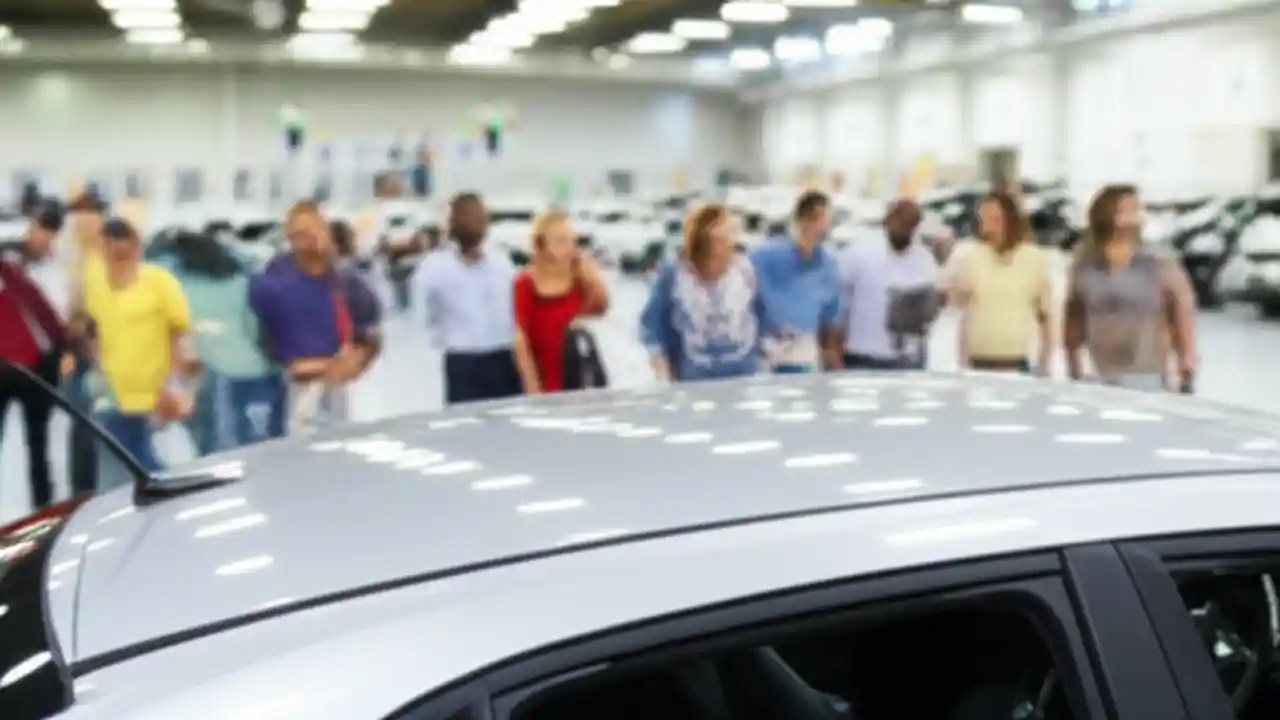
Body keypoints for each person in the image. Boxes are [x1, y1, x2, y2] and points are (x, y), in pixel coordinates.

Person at [250, 202, 382, 434]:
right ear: (291, 239)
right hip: (293, 392)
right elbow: (264, 342)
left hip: (340, 390)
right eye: (302, 234)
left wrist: (358, 361)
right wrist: (309, 367)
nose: (313, 240)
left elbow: (370, 332)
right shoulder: (272, 284)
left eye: (317, 230)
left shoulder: (346, 282)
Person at [83, 217, 194, 476]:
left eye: (125, 253)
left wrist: (175, 386)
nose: (120, 261)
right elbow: (94, 333)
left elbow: (180, 336)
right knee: (118, 482)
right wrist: (98, 374)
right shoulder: (97, 288)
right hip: (114, 402)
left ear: (136, 249)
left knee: (163, 475)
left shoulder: (160, 282)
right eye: (113, 254)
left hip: (156, 402)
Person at [1065, 185, 1197, 392]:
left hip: (1146, 373)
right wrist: (1073, 362)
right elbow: (1074, 315)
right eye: (1124, 209)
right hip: (1100, 373)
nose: (1132, 216)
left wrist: (1187, 363)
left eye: (1135, 209)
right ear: (1105, 213)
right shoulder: (1085, 261)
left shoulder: (1158, 260)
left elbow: (1182, 312)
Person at [164, 231, 284, 453]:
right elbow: (253, 327)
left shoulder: (175, 282)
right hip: (261, 369)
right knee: (264, 443)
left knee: (217, 448)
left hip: (215, 372)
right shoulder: (242, 280)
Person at [413, 192, 522, 404]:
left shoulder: (501, 263)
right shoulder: (434, 268)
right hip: (462, 360)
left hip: (502, 356)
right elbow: (424, 317)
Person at [641, 203, 766, 382]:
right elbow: (652, 324)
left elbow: (765, 316)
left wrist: (765, 358)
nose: (719, 246)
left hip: (743, 377)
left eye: (724, 238)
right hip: (693, 379)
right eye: (713, 239)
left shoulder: (746, 271)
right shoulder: (675, 275)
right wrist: (661, 365)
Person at [948, 192, 1055, 374]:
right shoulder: (970, 255)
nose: (987, 227)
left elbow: (1045, 315)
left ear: (1010, 221)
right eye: (984, 220)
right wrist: (962, 364)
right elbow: (960, 308)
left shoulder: (1034, 258)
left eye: (994, 220)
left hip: (1016, 362)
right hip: (977, 362)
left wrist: (1045, 362)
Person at [512, 210, 609, 394]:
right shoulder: (525, 283)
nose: (568, 248)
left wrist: (591, 274)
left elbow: (601, 308)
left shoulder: (579, 278)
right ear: (541, 244)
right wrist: (532, 386)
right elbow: (520, 340)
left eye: (570, 240)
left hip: (578, 375)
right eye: (560, 241)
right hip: (544, 375)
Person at [836, 199, 940, 370]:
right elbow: (840, 301)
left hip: (908, 357)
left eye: (911, 224)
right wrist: (835, 346)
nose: (906, 228)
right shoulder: (859, 253)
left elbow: (931, 306)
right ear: (888, 220)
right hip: (863, 353)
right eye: (902, 221)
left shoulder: (924, 259)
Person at [0, 253, 66, 509]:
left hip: (33, 370)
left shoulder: (12, 273)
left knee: (38, 445)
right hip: (8, 373)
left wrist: (58, 349)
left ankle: (44, 506)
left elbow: (43, 311)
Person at [749, 190, 842, 373]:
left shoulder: (828, 265)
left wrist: (830, 353)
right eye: (818, 220)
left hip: (805, 351)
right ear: (801, 220)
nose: (823, 228)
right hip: (767, 350)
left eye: (825, 221)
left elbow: (830, 316)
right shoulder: (765, 257)